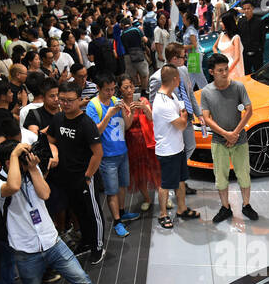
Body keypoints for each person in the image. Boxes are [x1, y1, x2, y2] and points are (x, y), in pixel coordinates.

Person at [0, 140, 117, 284]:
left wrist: (32, 170)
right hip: (26, 250)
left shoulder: (32, 174)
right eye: (20, 158)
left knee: (81, 279)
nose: (27, 160)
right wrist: (15, 156)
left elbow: (45, 194)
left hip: (52, 241)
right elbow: (13, 186)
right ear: (8, 162)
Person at [47, 80, 106, 264]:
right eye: (61, 99)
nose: (65, 103)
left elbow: (98, 153)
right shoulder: (58, 118)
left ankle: (98, 246)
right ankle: (87, 242)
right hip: (67, 177)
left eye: (69, 100)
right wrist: (54, 152)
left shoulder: (86, 123)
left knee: (93, 212)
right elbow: (49, 138)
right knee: (79, 212)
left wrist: (88, 176)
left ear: (79, 99)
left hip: (85, 176)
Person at [201, 52, 257, 224]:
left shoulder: (238, 87)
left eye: (226, 69)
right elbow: (207, 118)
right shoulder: (206, 92)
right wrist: (226, 134)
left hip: (240, 139)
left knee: (243, 174)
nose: (224, 73)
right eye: (220, 70)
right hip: (219, 141)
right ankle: (225, 207)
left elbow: (249, 110)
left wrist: (235, 133)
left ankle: (246, 205)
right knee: (221, 176)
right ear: (211, 72)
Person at [84, 72, 140, 240]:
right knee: (112, 191)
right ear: (98, 88)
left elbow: (128, 126)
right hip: (106, 155)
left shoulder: (117, 101)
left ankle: (122, 213)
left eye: (113, 89)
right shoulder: (93, 106)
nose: (111, 93)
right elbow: (96, 132)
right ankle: (116, 222)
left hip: (122, 151)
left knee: (123, 185)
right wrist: (108, 114)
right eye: (107, 90)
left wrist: (125, 111)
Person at [152, 66, 199, 230]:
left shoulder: (170, 95)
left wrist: (182, 113)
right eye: (178, 78)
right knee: (165, 184)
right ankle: (163, 214)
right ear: (173, 79)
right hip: (167, 151)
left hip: (177, 148)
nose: (180, 80)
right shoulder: (162, 103)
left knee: (180, 180)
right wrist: (184, 116)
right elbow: (180, 124)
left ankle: (182, 209)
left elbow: (180, 108)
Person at [121, 76, 161, 213]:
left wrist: (145, 108)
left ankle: (164, 197)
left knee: (156, 170)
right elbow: (126, 127)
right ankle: (147, 198)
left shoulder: (142, 100)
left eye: (131, 86)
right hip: (132, 143)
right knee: (139, 173)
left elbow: (152, 118)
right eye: (125, 87)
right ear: (120, 89)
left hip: (147, 141)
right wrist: (131, 112)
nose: (129, 90)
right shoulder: (120, 105)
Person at [237, 0, 265, 74]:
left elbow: (262, 37)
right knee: (246, 74)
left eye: (248, 8)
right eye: (244, 9)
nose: (246, 10)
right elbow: (239, 36)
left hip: (257, 54)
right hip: (245, 54)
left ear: (252, 8)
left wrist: (260, 49)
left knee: (259, 74)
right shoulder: (241, 22)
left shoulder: (259, 21)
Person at [214, 12, 245, 81]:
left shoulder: (236, 37)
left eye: (222, 22)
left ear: (227, 23)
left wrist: (227, 70)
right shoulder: (221, 35)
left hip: (232, 67)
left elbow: (237, 58)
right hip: (221, 65)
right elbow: (214, 47)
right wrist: (218, 58)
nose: (220, 24)